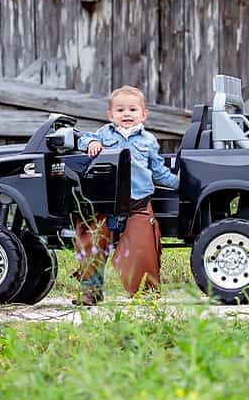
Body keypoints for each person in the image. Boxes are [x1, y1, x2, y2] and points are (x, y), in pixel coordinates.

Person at [71, 85, 179, 305]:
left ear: (143, 114)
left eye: (132, 109)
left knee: (142, 249)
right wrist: (91, 143)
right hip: (105, 203)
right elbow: (82, 139)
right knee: (92, 245)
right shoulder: (104, 134)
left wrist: (180, 183)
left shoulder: (148, 140)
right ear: (111, 115)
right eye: (120, 110)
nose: (127, 114)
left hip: (137, 204)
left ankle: (145, 293)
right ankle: (90, 291)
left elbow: (158, 171)